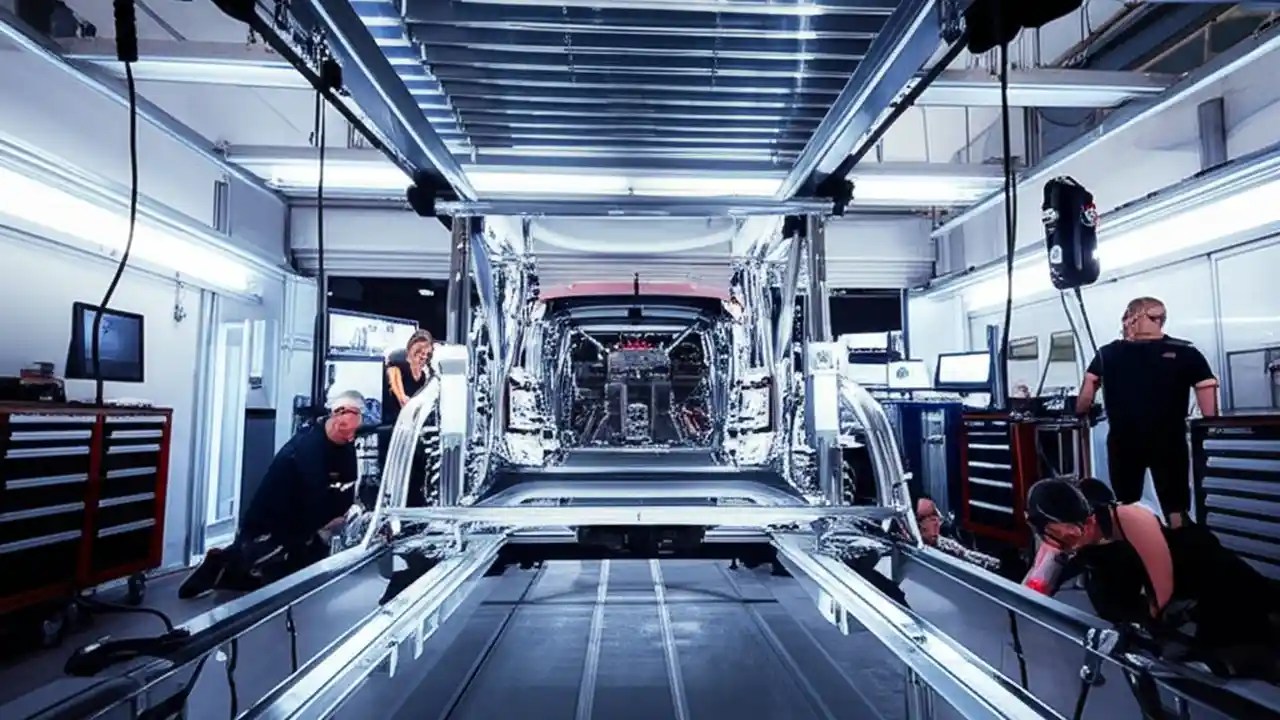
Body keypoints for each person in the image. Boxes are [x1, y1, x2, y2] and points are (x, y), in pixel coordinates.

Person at [1025, 477, 1279, 680]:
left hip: (1200, 569)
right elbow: (1031, 593)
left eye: (1079, 528)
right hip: (1154, 588)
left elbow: (1162, 589)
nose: (1073, 536)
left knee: (1257, 618)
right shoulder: (1057, 537)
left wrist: (1153, 633)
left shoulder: (1129, 517)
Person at [178, 391, 364, 599]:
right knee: (265, 560)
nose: (348, 437)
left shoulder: (345, 444)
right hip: (275, 520)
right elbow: (308, 497)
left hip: (306, 519)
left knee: (301, 571)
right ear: (334, 416)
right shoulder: (307, 448)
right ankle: (220, 563)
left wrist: (344, 513)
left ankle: (255, 571)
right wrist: (323, 527)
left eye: (352, 433)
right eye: (345, 431)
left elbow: (347, 483)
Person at [1075, 297, 1219, 528]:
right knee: (1175, 507)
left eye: (1161, 318)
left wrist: (1082, 410)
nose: (1159, 322)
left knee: (1127, 504)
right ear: (1133, 318)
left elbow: (1087, 391)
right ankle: (1180, 551)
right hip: (1168, 440)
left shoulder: (1108, 354)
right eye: (1154, 318)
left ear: (1130, 318)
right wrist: (1210, 425)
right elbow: (1207, 396)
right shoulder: (1184, 352)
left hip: (1127, 440)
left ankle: (1137, 550)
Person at [378, 330, 434, 507]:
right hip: (394, 427)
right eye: (420, 352)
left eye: (426, 354)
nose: (423, 357)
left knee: (417, 470)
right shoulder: (397, 364)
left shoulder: (424, 375)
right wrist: (407, 400)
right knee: (395, 473)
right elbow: (402, 397)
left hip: (412, 429)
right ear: (411, 349)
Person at [916, 496, 1003, 574]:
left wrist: (989, 561)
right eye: (931, 522)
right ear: (920, 526)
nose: (936, 527)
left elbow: (966, 553)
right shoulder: (919, 547)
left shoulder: (946, 543)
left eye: (937, 522)